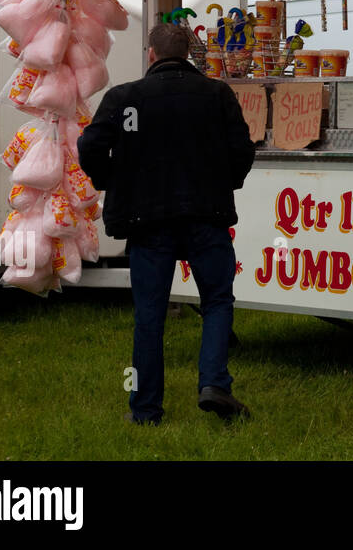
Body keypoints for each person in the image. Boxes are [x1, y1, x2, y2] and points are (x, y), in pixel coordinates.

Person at [78, 22, 256, 425]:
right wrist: (225, 181)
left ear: (151, 55)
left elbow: (90, 146)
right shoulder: (217, 94)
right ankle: (214, 384)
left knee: (150, 315)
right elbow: (243, 150)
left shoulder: (125, 98)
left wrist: (111, 180)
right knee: (216, 301)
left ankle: (145, 409)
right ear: (190, 54)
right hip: (205, 215)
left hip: (147, 219)